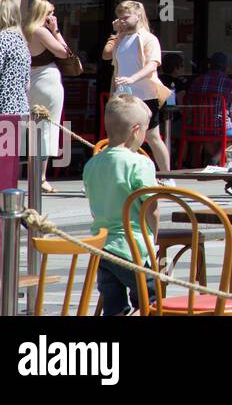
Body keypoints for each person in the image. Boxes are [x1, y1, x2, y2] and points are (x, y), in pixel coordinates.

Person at [83, 93, 156, 315]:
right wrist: (154, 239)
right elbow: (151, 207)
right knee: (150, 301)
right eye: (145, 129)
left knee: (113, 307)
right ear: (136, 130)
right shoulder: (140, 163)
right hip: (133, 246)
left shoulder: (92, 164)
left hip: (102, 247)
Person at [102, 0, 171, 171]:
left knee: (152, 136)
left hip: (145, 94)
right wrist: (115, 32)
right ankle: (115, 173)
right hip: (123, 95)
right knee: (119, 136)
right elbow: (106, 55)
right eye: (119, 18)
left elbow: (153, 64)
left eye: (125, 17)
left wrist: (132, 78)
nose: (122, 21)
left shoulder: (148, 38)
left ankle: (168, 176)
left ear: (138, 15)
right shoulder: (121, 38)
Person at [24, 0, 74, 192]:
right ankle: (41, 177)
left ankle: (33, 175)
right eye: (50, 13)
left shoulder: (25, 31)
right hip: (46, 81)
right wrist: (56, 31)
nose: (53, 17)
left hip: (31, 82)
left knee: (33, 130)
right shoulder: (42, 31)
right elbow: (64, 53)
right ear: (43, 14)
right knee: (46, 129)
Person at [191, 52, 232, 151]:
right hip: (220, 128)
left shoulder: (197, 81)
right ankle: (218, 157)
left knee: (209, 139)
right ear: (226, 67)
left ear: (210, 65)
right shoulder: (231, 84)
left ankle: (214, 159)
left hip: (196, 127)